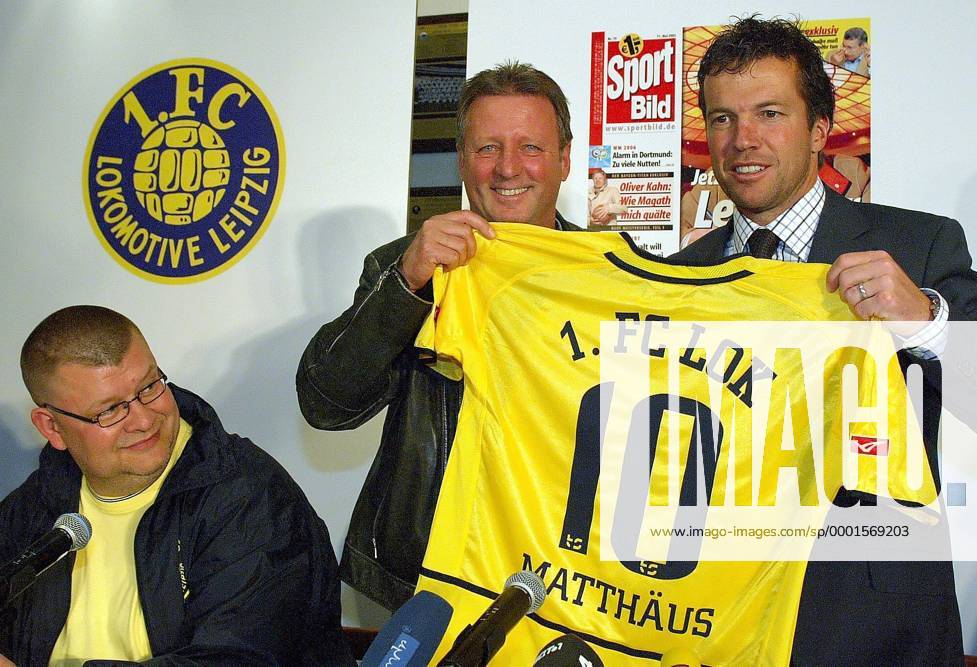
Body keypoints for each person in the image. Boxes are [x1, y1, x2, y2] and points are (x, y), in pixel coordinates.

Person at [668, 16, 977, 665]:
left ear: (820, 129)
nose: (743, 139)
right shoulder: (679, 277)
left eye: (768, 112)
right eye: (723, 118)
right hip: (714, 622)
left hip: (874, 628)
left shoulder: (919, 245)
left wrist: (925, 319)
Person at [297, 61, 579, 611]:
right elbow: (325, 403)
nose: (507, 168)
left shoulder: (608, 274)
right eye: (487, 148)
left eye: (531, 148)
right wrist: (406, 284)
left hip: (568, 578)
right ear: (461, 160)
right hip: (427, 577)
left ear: (564, 160)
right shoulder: (405, 267)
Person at [1, 306, 352, 665]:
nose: (142, 420)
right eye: (108, 411)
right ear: (52, 427)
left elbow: (236, 660)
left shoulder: (251, 498)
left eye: (150, 387)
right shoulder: (27, 512)